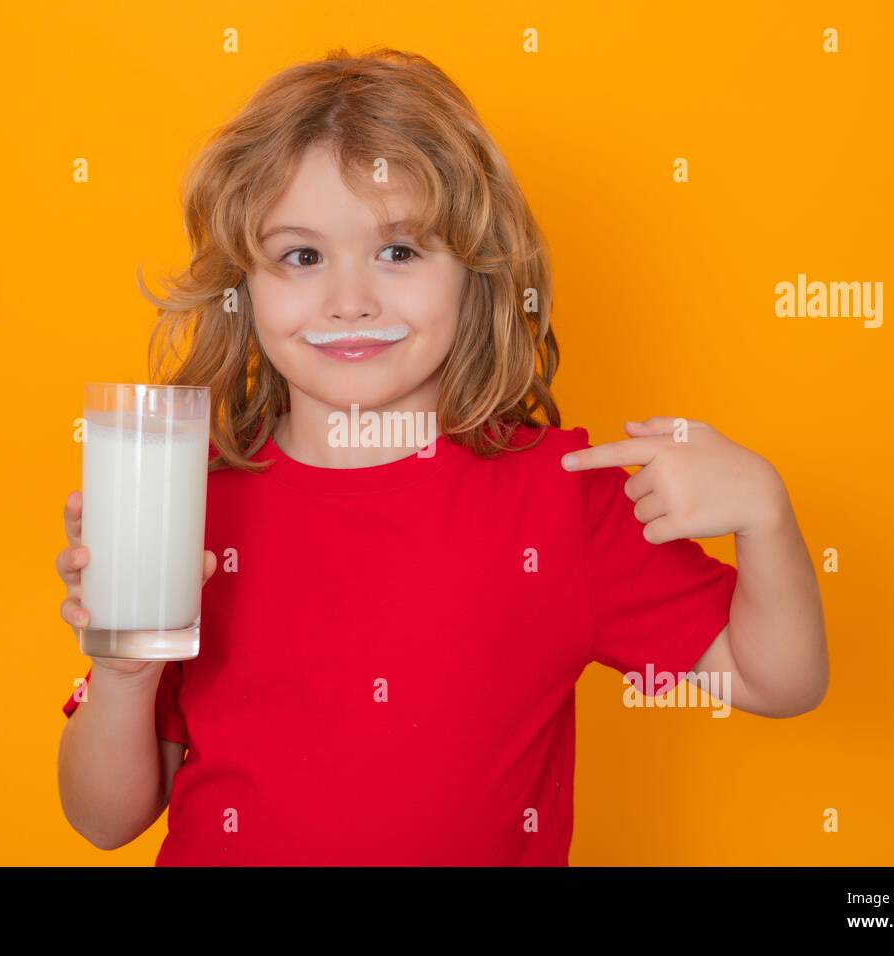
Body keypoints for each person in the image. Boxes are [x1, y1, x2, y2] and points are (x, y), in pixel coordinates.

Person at [55, 46, 828, 866]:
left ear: (478, 271)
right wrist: (125, 670)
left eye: (399, 251)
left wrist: (765, 514)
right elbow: (104, 821)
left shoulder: (561, 499)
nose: (350, 302)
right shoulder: (191, 508)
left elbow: (774, 679)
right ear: (242, 287)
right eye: (302, 257)